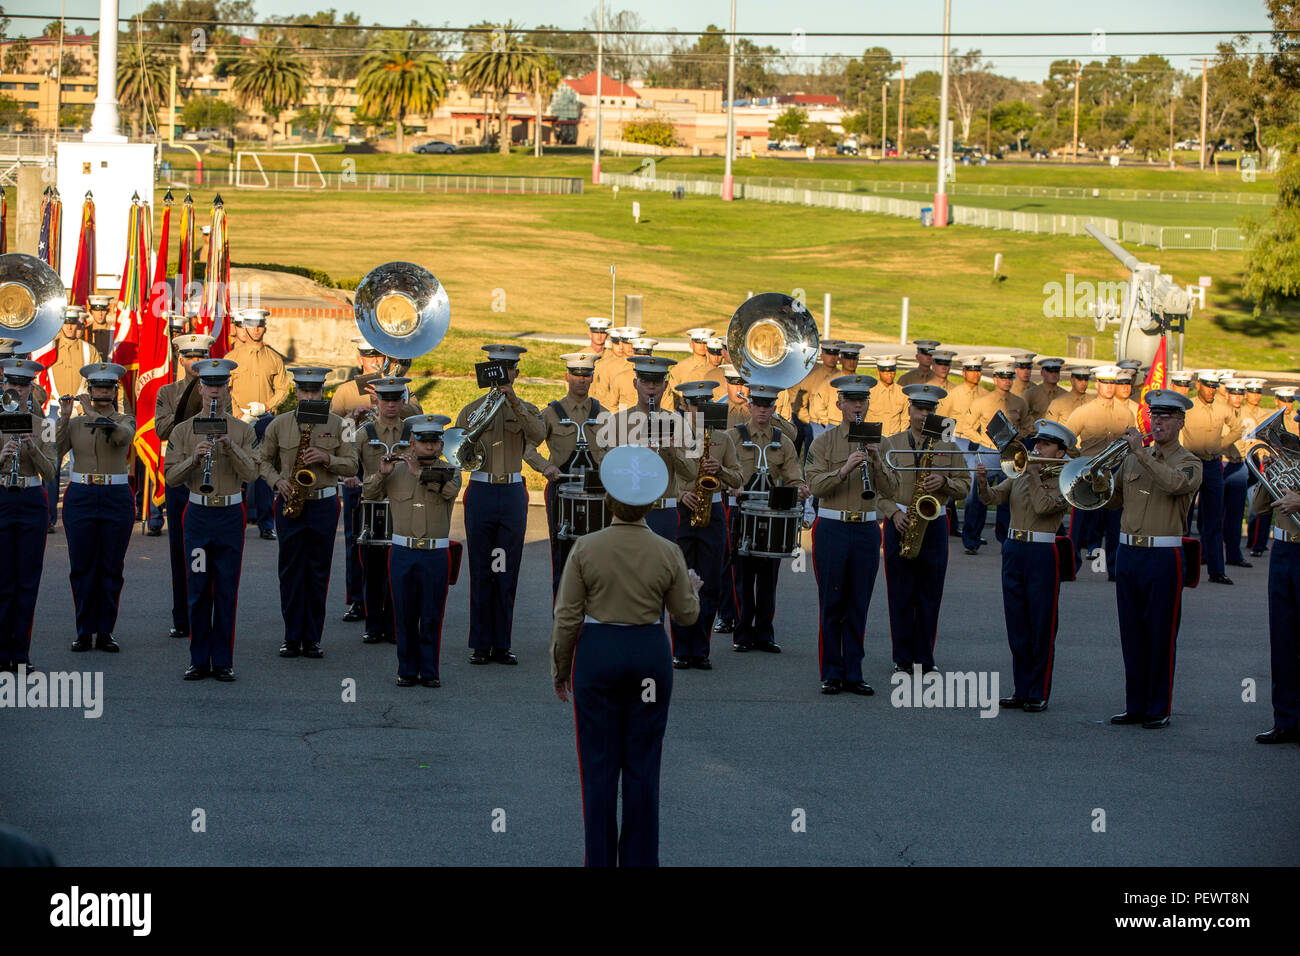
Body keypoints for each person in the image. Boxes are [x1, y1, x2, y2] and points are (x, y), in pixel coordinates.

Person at [550, 444, 702, 867]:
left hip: (599, 654)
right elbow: (686, 616)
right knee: (643, 766)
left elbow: (566, 618)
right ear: (652, 503)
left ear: (607, 500)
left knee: (598, 769)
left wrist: (560, 668)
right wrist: (695, 589)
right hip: (649, 653)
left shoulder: (585, 548)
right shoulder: (668, 550)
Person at [1105, 390, 1201, 730]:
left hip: (1163, 555)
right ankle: (1135, 705)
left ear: (1180, 422)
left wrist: (1142, 456)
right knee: (1131, 633)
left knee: (1160, 633)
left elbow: (1175, 485)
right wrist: (1092, 480)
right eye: (1153, 416)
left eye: (1165, 417)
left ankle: (1159, 707)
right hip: (1128, 552)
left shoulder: (1189, 462)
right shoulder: (1133, 458)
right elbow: (1113, 499)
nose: (1156, 422)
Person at [164, 358, 257, 682]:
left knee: (226, 589)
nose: (214, 391)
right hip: (199, 515)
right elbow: (171, 478)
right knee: (199, 586)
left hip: (230, 515)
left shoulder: (243, 430)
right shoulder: (182, 430)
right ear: (200, 387)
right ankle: (198, 659)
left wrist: (231, 448)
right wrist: (194, 458)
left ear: (228, 387)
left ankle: (223, 661)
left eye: (220, 384)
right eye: (209, 385)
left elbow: (253, 473)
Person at [259, 366, 359, 658]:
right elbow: (262, 460)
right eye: (304, 391)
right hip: (291, 501)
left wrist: (327, 458)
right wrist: (277, 480)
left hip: (324, 503)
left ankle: (312, 637)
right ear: (296, 392)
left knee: (317, 571)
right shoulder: (279, 424)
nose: (309, 396)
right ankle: (292, 637)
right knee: (290, 572)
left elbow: (352, 465)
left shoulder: (340, 424)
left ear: (322, 392)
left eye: (315, 391)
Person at [456, 344, 546, 665]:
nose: (503, 374)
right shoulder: (470, 410)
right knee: (482, 568)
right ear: (487, 370)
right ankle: (480, 643)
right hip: (480, 491)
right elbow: (459, 452)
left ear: (516, 373)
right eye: (497, 368)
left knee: (505, 569)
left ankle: (501, 643)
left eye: (509, 369)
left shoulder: (527, 408)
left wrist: (513, 402)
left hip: (510, 494)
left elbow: (538, 434)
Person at [807, 373, 897, 695]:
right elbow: (815, 486)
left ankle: (854, 672)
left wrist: (875, 460)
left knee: (858, 603)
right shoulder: (824, 441)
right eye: (851, 401)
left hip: (866, 529)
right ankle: (832, 671)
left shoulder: (880, 441)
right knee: (832, 601)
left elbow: (893, 489)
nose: (857, 406)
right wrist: (844, 469)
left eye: (862, 401)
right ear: (839, 404)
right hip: (832, 526)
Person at [976, 420, 1073, 712]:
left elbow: (1044, 507)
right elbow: (993, 498)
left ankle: (1038, 691)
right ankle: (1020, 688)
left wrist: (1031, 476)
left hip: (1042, 551)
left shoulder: (1067, 479)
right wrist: (982, 482)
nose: (1036, 448)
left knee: (1041, 624)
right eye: (1037, 442)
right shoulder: (1020, 471)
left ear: (1059, 452)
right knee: (1017, 623)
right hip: (1014, 547)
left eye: (1045, 444)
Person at [364, 414, 462, 688]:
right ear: (412, 442)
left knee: (431, 615)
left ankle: (430, 671)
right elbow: (369, 495)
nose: (430, 447)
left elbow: (450, 491)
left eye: (435, 441)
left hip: (434, 553)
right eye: (424, 441)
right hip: (403, 552)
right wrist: (380, 475)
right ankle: (406, 669)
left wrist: (421, 475)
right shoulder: (395, 469)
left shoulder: (450, 470)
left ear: (442, 445)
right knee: (404, 615)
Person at [877, 384, 969, 674]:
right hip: (900, 520)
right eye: (919, 409)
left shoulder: (948, 444)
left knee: (930, 593)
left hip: (934, 522)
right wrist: (892, 514)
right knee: (900, 593)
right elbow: (877, 489)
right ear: (909, 410)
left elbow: (965, 485)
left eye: (930, 410)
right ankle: (902, 658)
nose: (924, 415)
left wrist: (945, 483)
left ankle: (925, 657)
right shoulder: (890, 443)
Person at [57, 362, 135, 653]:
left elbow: (121, 439)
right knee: (82, 565)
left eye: (107, 387)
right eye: (97, 387)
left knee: (111, 566)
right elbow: (54, 452)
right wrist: (65, 417)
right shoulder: (76, 423)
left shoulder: (125, 419)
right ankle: (84, 630)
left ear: (115, 391)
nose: (102, 391)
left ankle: (105, 630)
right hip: (82, 494)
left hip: (115, 494)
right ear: (89, 390)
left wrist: (90, 412)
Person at [725, 382, 808, 655]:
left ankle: (764, 633)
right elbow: (722, 471)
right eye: (757, 404)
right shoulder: (732, 437)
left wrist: (800, 489)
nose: (762, 410)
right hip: (742, 511)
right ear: (749, 406)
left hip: (771, 515)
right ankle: (742, 632)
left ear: (774, 408)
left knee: (768, 578)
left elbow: (794, 475)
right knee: (742, 577)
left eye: (767, 405)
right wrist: (731, 486)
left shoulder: (782, 441)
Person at [670, 380, 742, 670]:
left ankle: (701, 649)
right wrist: (679, 493)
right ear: (685, 406)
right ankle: (681, 648)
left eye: (705, 404)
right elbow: (658, 473)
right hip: (681, 510)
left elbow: (737, 479)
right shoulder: (673, 435)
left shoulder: (722, 438)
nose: (700, 410)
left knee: (710, 583)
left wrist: (720, 470)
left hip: (712, 511)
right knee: (681, 581)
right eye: (694, 404)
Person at [524, 352, 605, 597]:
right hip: (561, 491)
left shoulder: (604, 414)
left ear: (592, 378)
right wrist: (545, 467)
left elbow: (616, 450)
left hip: (597, 492)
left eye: (586, 374)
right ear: (567, 376)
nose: (582, 379)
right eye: (577, 374)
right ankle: (562, 621)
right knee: (562, 554)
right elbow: (528, 447)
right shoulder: (551, 413)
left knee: (598, 556)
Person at [155, 333, 217, 640]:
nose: (195, 363)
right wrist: (189, 405)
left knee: (212, 550)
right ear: (181, 358)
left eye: (200, 356)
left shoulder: (219, 390)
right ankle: (182, 617)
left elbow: (226, 422)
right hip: (180, 471)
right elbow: (161, 430)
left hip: (212, 473)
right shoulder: (167, 391)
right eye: (189, 357)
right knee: (181, 548)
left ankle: (208, 615)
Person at [351, 376, 420, 643]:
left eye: (395, 400)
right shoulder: (364, 434)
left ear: (402, 401)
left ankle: (394, 625)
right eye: (385, 400)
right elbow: (348, 464)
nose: (390, 405)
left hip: (402, 507)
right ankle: (374, 624)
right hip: (372, 505)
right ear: (376, 401)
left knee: (400, 570)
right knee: (374, 570)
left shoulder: (412, 434)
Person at [0, 359, 56, 673]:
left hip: (32, 498)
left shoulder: (43, 424)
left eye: (23, 385)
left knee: (27, 581)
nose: (17, 390)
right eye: (12, 384)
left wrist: (31, 447)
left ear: (31, 388)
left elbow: (50, 471)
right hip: (2, 498)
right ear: (5, 385)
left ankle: (20, 653)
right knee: (3, 581)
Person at [590, 355, 682, 542]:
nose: (651, 387)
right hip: (629, 512)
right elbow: (605, 468)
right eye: (645, 381)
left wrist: (673, 451)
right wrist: (636, 452)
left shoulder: (677, 423)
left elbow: (690, 473)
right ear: (635, 383)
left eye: (657, 382)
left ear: (665, 386)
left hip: (665, 512)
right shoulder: (617, 422)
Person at [1247, 425, 1300, 744]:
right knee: (1282, 638)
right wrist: (1269, 470)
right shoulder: (1287, 461)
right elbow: (1258, 508)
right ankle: (1285, 720)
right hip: (1282, 551)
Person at [227, 308, 291, 540]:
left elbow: (283, 388)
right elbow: (225, 389)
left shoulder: (274, 358)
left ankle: (266, 523)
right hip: (238, 420)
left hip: (264, 420)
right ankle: (237, 521)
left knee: (264, 471)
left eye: (259, 325)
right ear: (244, 327)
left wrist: (266, 406)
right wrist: (236, 412)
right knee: (236, 470)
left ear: (264, 327)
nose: (255, 329)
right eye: (251, 325)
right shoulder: (231, 358)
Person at [1066, 366, 1133, 577]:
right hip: (1087, 472)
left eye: (1112, 383)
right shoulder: (1084, 411)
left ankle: (1113, 568)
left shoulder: (1125, 413)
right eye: (1104, 382)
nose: (1109, 387)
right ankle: (1070, 566)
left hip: (1113, 472)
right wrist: (1078, 461)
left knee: (1115, 523)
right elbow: (1067, 438)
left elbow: (1132, 441)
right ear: (1098, 384)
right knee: (1078, 524)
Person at [959, 364, 1029, 555]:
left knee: (1008, 500)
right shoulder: (983, 401)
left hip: (1010, 452)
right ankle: (971, 540)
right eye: (1002, 377)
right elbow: (966, 427)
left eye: (1009, 378)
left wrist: (1015, 436)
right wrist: (983, 439)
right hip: (988, 452)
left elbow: (1028, 427)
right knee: (978, 497)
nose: (1006, 381)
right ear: (995, 379)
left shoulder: (1020, 402)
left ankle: (1006, 540)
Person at [45, 307, 101, 532]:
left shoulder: (89, 350)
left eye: (72, 322)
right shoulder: (47, 348)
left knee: (80, 464)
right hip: (52, 410)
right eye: (65, 322)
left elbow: (97, 379)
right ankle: (49, 517)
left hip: (79, 412)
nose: (68, 326)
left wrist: (85, 405)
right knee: (51, 464)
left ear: (79, 323)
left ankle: (79, 510)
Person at [1181, 369, 1233, 585]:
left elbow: (1238, 427)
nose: (1211, 390)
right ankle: (1181, 567)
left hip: (1212, 465)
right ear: (1199, 385)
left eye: (1214, 386)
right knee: (1182, 517)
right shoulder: (1188, 407)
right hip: (1192, 463)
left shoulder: (1222, 407)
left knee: (1213, 520)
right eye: (1208, 386)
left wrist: (1221, 445)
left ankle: (1216, 570)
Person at [1220, 379, 1253, 570]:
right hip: (1223, 462)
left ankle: (1234, 554)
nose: (1238, 397)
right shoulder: (1221, 413)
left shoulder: (1247, 414)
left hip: (1240, 464)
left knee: (1236, 514)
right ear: (1228, 394)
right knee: (1215, 513)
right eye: (1234, 393)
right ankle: (1208, 554)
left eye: (1241, 394)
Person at [86, 295, 114, 359]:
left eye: (103, 310)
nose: (100, 314)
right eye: (96, 310)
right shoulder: (85, 332)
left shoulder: (114, 332)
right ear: (91, 312)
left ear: (108, 311)